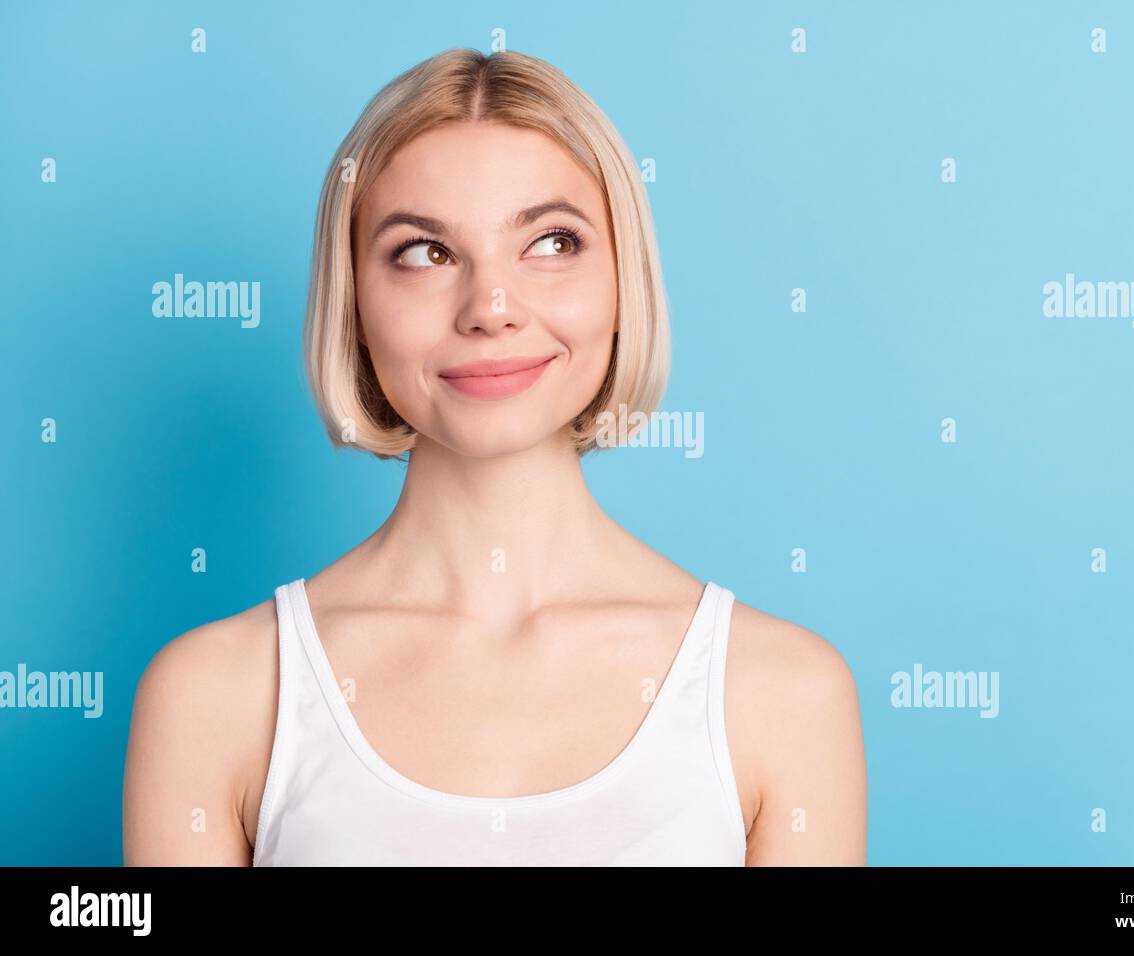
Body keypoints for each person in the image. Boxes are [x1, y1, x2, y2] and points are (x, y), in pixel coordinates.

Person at [123, 47, 866, 866]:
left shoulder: (782, 691)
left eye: (552, 242)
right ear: (355, 305)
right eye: (424, 252)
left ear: (624, 283)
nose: (491, 308)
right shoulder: (215, 695)